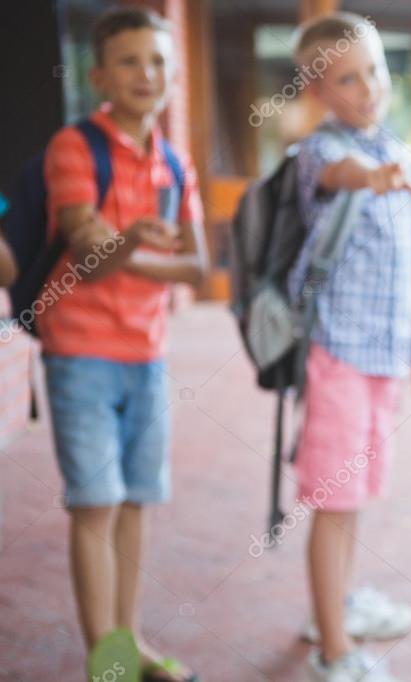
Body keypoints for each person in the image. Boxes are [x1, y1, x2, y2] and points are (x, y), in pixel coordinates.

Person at [39, 6, 208, 681]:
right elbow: (87, 257)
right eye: (132, 60)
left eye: (160, 60)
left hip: (147, 351)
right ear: (99, 74)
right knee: (96, 503)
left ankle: (129, 643)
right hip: (80, 349)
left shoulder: (174, 159)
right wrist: (133, 239)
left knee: (135, 499)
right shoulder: (74, 147)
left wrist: (124, 243)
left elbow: (197, 270)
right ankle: (105, 662)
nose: (149, 73)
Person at [288, 12, 411, 682]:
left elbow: (401, 267)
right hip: (338, 357)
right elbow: (338, 172)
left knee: (357, 493)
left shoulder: (393, 148)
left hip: (380, 356)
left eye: (373, 68)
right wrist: (371, 177)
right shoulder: (321, 152)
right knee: (334, 499)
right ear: (319, 92)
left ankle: (336, 608)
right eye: (346, 78)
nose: (368, 85)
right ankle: (333, 651)